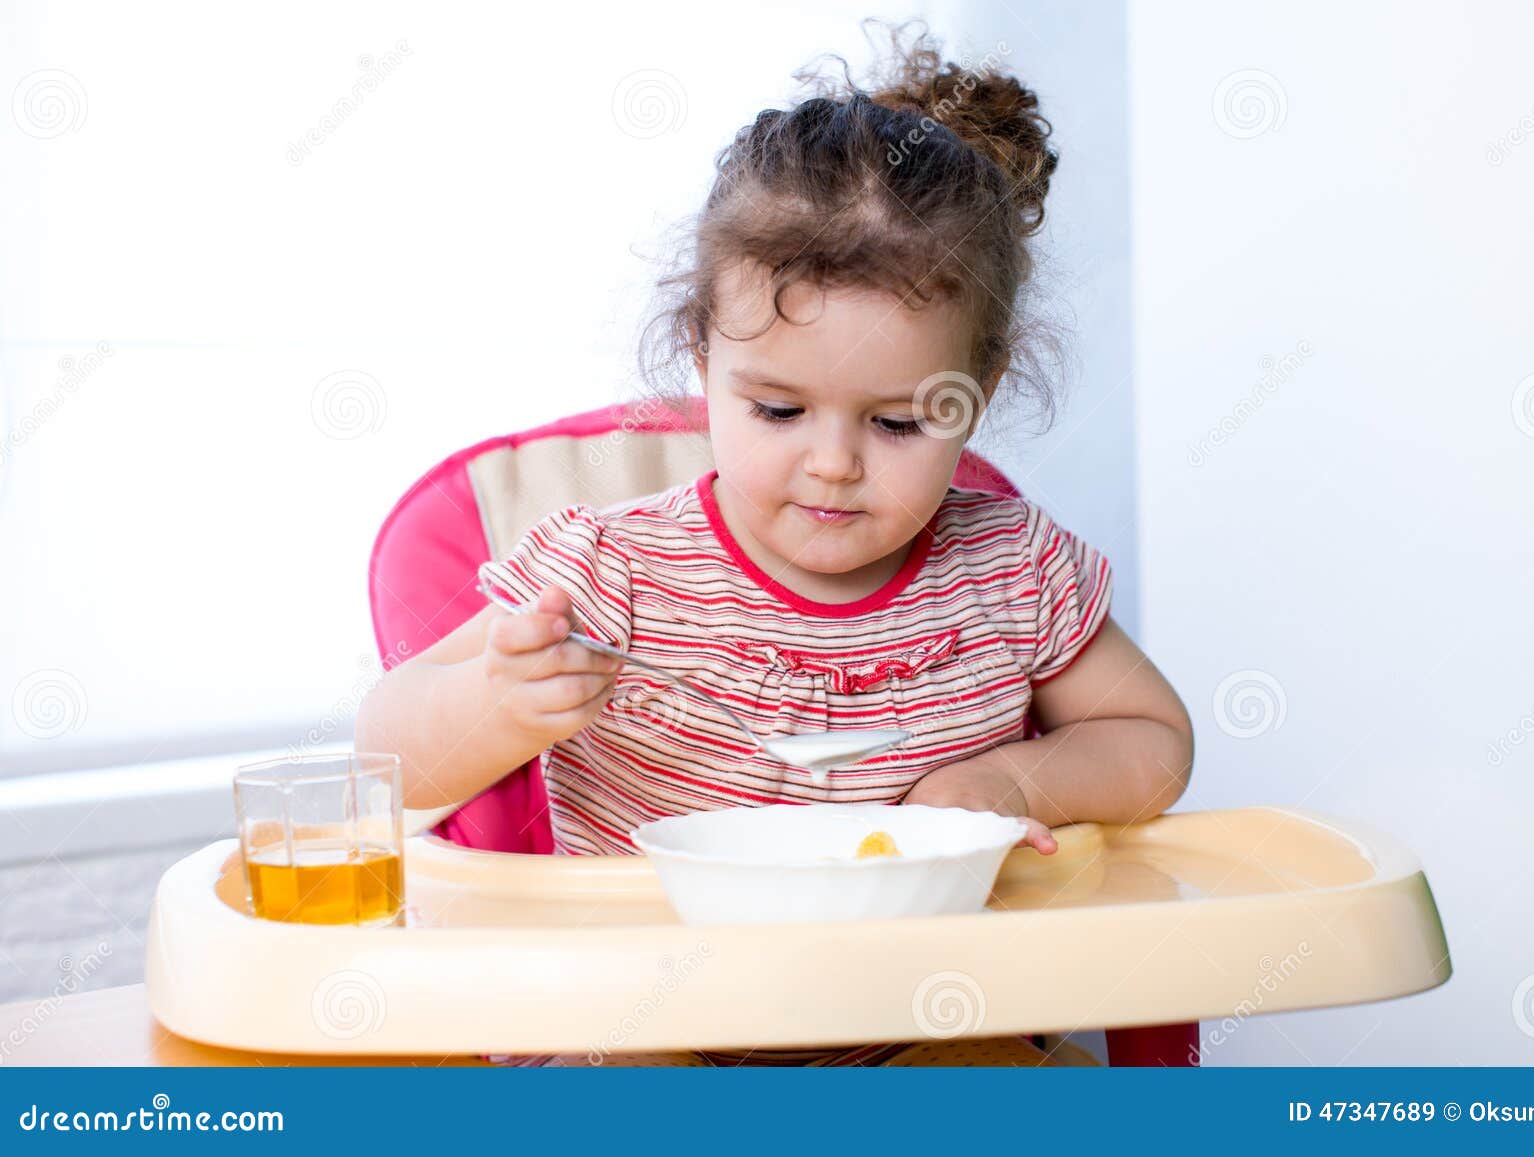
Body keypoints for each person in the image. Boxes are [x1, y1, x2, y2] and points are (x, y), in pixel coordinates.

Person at [356, 20, 1194, 1068]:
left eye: (896, 423)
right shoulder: (610, 571)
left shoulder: (1012, 571)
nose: (834, 463)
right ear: (701, 361)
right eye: (780, 410)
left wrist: (1017, 783)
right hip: (647, 1030)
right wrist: (492, 699)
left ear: (975, 396)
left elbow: (1151, 737)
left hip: (927, 1024)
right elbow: (383, 754)